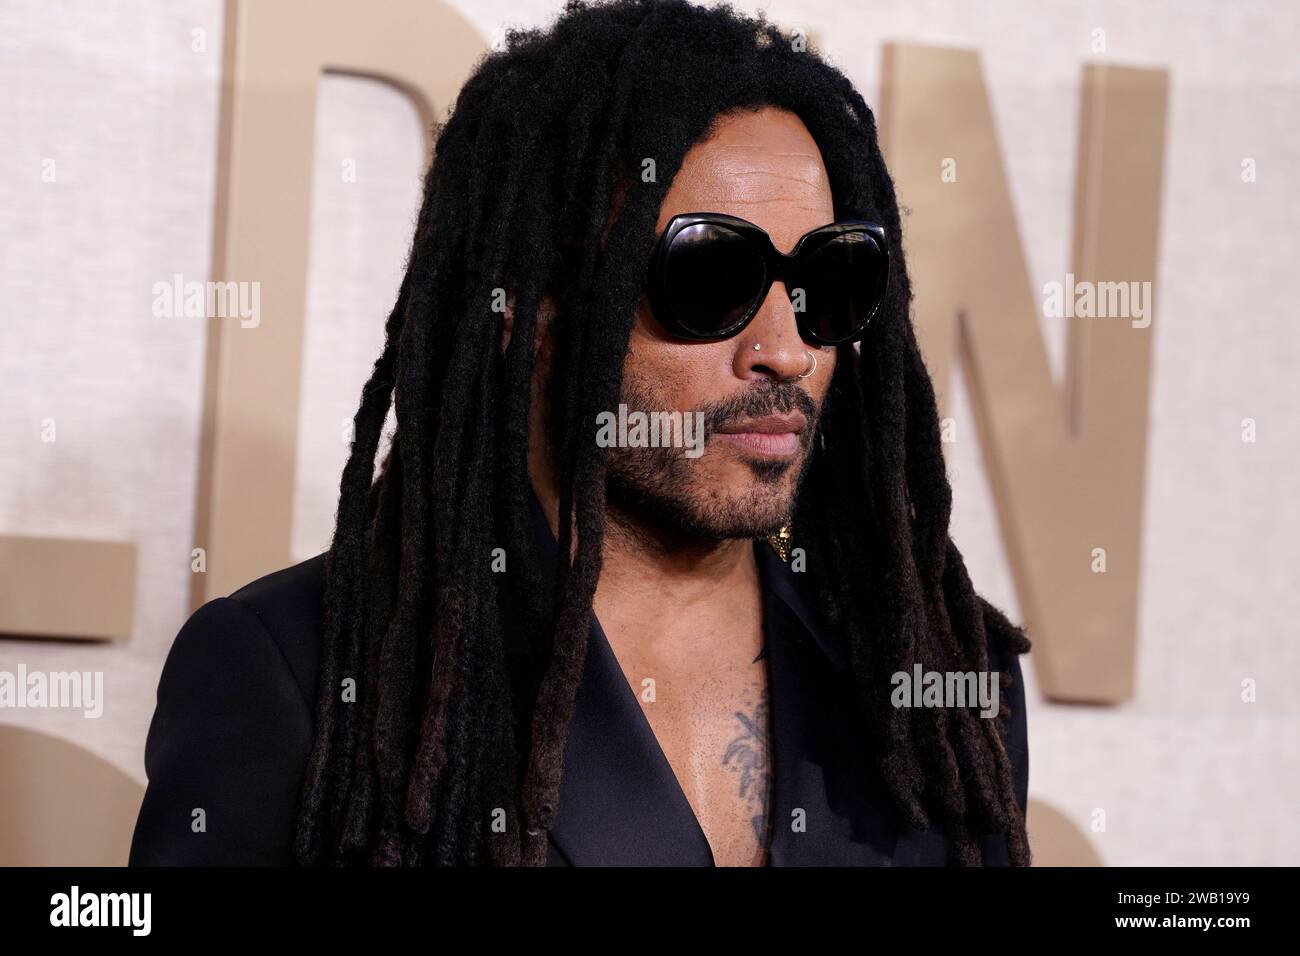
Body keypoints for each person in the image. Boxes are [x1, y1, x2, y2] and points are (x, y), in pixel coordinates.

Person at [129, 0, 1031, 868]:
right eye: (713, 276)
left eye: (830, 282)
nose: (786, 351)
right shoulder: (298, 672)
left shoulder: (947, 685)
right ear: (528, 311)